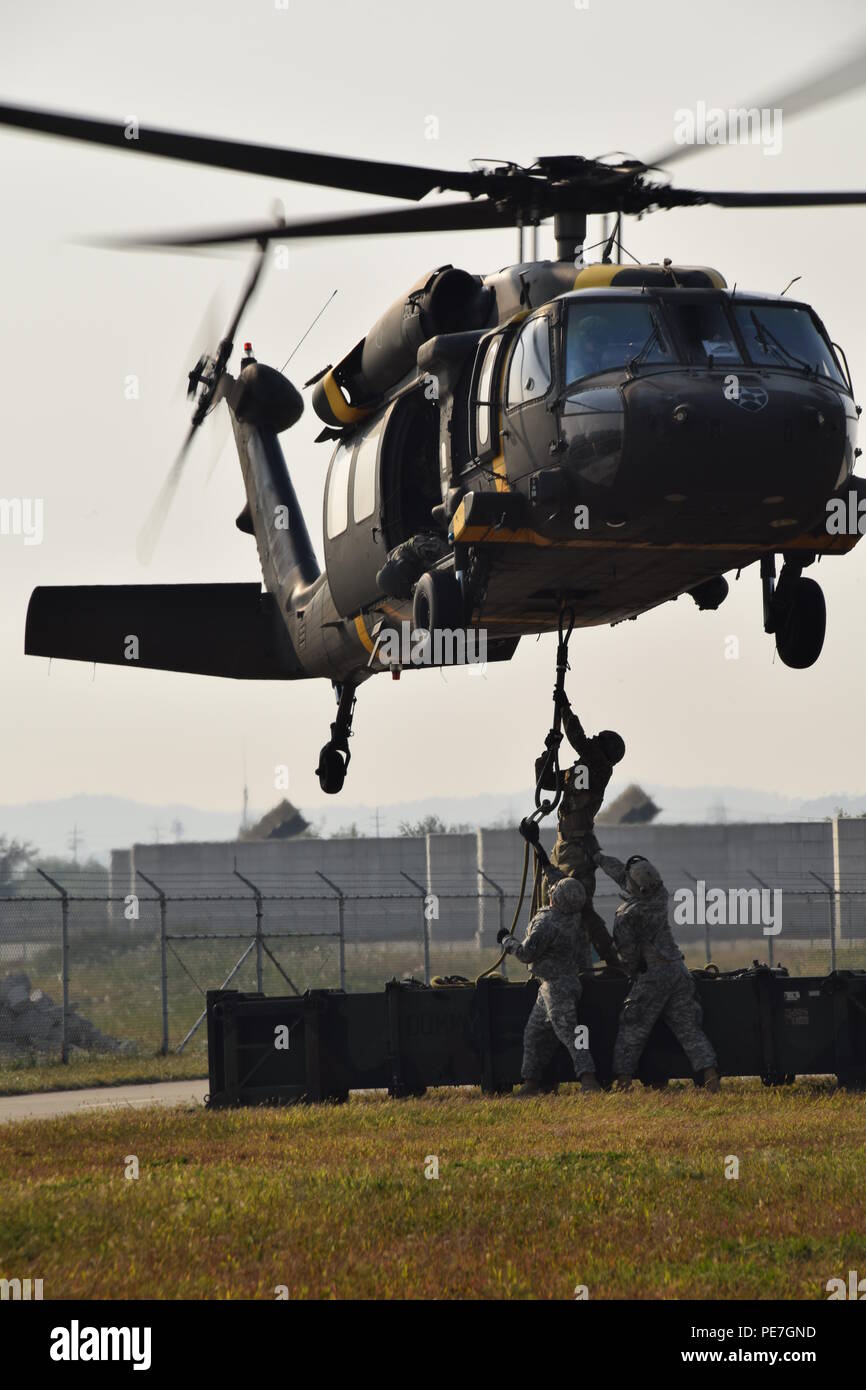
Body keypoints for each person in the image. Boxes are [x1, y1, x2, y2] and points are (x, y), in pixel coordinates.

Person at [593, 851, 720, 1091]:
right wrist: (600, 859)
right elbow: (627, 878)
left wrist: (631, 970)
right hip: (678, 972)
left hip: (652, 976)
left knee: (632, 1027)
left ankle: (623, 1083)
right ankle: (711, 1079)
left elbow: (628, 955)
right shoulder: (660, 895)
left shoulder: (626, 915)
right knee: (689, 1029)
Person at [498, 876, 602, 1096]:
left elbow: (526, 954)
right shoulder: (576, 920)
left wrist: (507, 941)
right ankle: (531, 1083)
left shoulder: (547, 922)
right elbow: (585, 956)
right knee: (535, 1034)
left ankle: (589, 1081)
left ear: (556, 897)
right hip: (557, 985)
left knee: (572, 1036)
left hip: (556, 988)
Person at [536, 698, 625, 944]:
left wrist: (564, 708)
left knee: (577, 904)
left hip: (578, 848)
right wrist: (548, 752)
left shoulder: (599, 767)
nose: (594, 740)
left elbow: (579, 738)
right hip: (563, 846)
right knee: (550, 899)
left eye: (599, 739)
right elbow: (545, 782)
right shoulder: (580, 772)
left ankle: (591, 953)